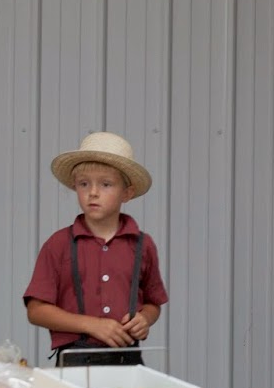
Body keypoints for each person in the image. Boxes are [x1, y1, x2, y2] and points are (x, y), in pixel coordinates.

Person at [24, 132, 169, 367]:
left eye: (106, 184)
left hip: (128, 360)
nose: (93, 192)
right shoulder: (59, 244)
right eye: (84, 184)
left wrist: (145, 319)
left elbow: (154, 302)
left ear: (127, 193)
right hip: (75, 361)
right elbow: (36, 311)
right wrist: (91, 325)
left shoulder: (142, 245)